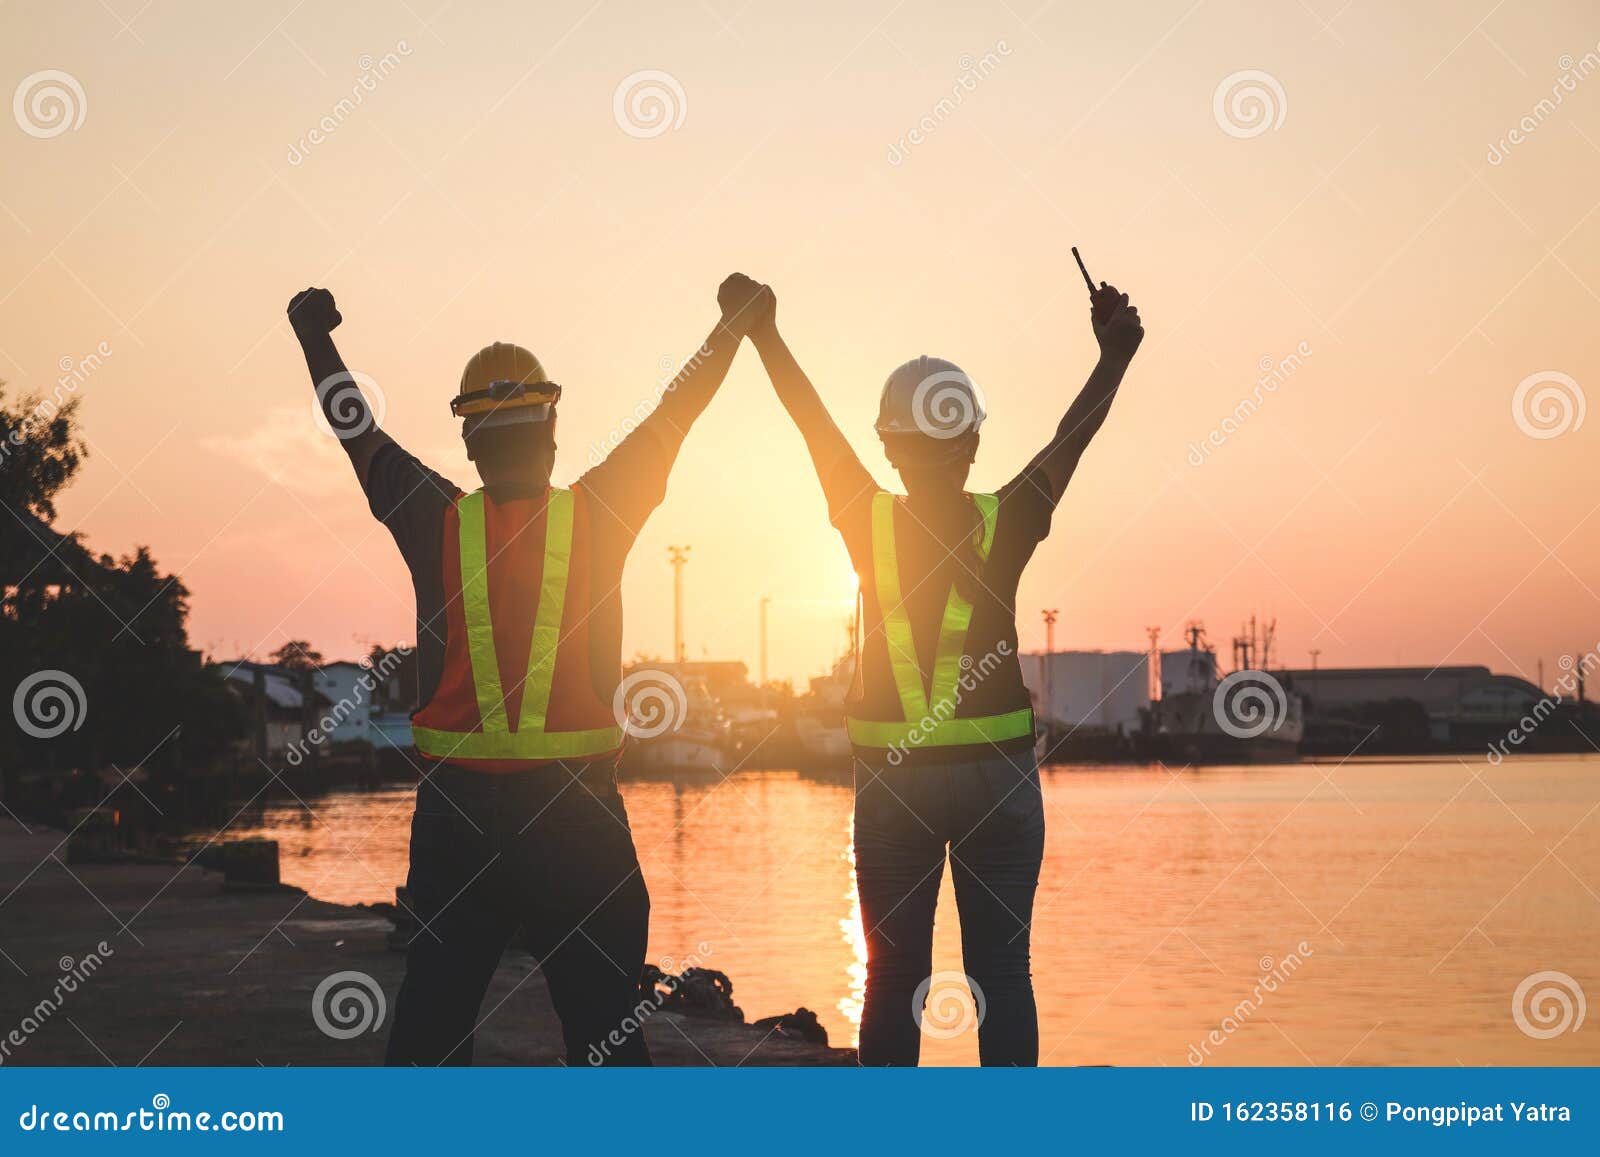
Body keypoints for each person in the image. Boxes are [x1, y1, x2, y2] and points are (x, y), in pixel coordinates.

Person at [285, 274, 769, 1065]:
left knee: (432, 1036)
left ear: (470, 442)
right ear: (550, 431)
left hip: (456, 824)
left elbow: (358, 431)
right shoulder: (599, 513)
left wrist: (313, 333)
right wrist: (732, 327)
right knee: (605, 1033)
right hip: (576, 820)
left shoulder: (435, 518)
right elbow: (672, 417)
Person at [744, 275, 1144, 1065]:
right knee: (1001, 971)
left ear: (890, 445)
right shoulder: (1010, 516)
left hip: (895, 781)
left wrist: (765, 334)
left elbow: (812, 423)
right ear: (972, 442)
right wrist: (1116, 355)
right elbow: (1073, 436)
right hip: (999, 777)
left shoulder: (866, 518)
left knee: (895, 976)